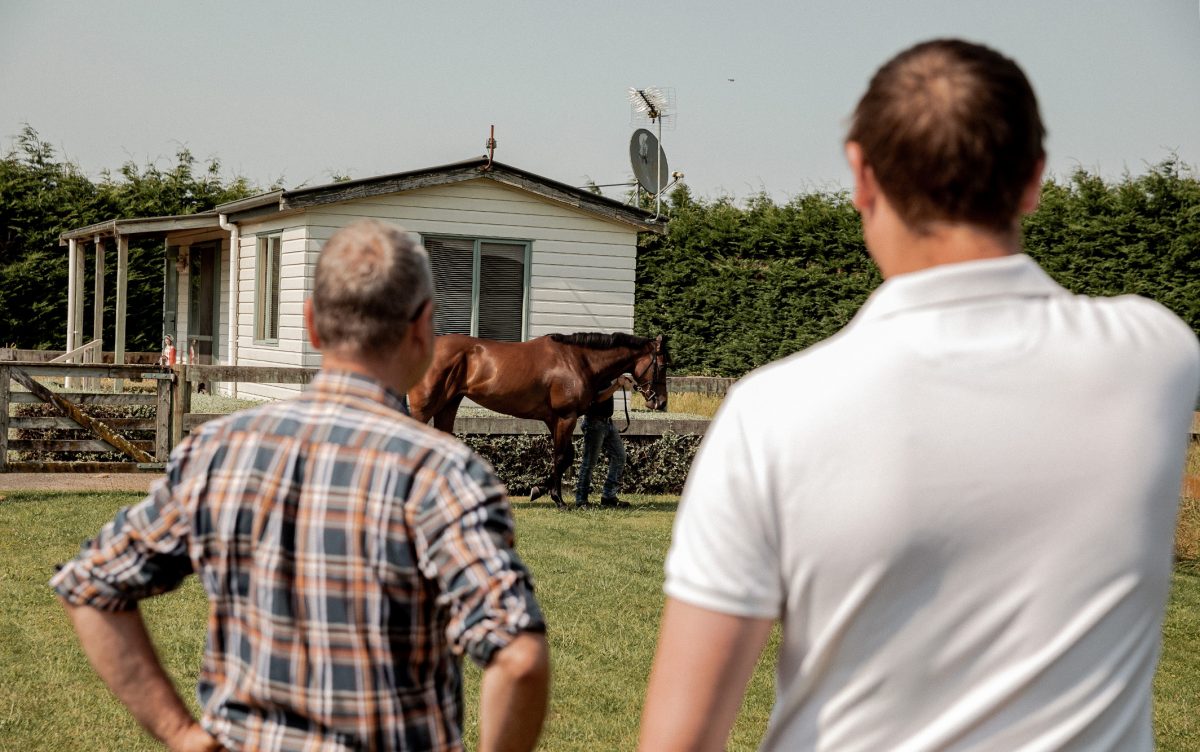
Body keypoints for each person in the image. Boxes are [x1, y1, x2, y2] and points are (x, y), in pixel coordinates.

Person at [639, 39, 1199, 751]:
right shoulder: (1156, 357)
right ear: (1033, 180)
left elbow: (679, 739)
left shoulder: (771, 414)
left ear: (861, 176)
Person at [51, 219, 550, 752]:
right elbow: (518, 660)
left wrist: (182, 735)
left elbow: (93, 585)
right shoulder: (443, 473)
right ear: (423, 328)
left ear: (311, 324)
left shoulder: (217, 451)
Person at [575, 375, 635, 509]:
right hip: (594, 423)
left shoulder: (606, 375)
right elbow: (598, 398)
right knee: (589, 462)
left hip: (607, 423)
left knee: (620, 456)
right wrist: (617, 385)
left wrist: (620, 380)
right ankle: (581, 500)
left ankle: (608, 497)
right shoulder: (594, 377)